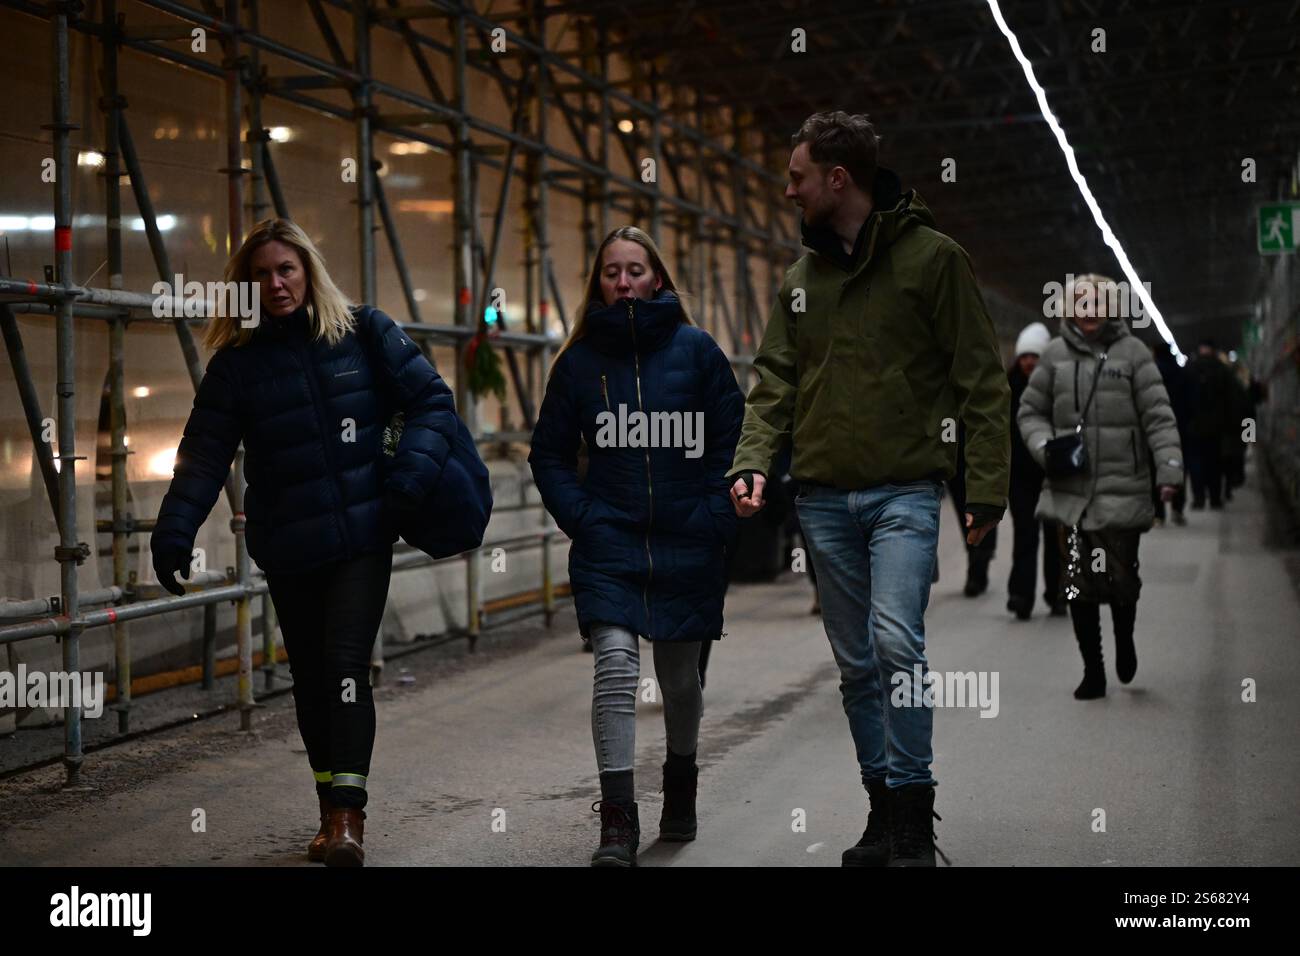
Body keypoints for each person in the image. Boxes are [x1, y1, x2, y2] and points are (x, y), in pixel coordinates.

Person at [728, 111, 1009, 867]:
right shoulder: (799, 282)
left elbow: (981, 381)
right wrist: (752, 460)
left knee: (896, 642)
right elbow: (773, 382)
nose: (788, 192)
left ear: (837, 179)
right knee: (856, 665)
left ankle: (916, 816)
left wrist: (985, 489)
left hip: (905, 495)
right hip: (821, 499)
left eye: (797, 178)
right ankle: (882, 811)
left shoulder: (933, 261)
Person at [150, 218, 459, 866]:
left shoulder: (364, 333)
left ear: (308, 273)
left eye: (286, 269)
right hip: (288, 543)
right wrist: (176, 527)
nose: (275, 282)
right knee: (313, 677)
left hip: (360, 536)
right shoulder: (237, 366)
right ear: (246, 285)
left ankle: (350, 818)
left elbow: (431, 401)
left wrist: (411, 475)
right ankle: (327, 808)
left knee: (345, 666)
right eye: (261, 273)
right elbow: (205, 454)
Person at [528, 226, 743, 867]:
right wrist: (583, 517)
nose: (623, 283)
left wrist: (713, 513)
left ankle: (681, 780)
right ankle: (617, 820)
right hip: (610, 542)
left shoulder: (698, 352)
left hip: (688, 539)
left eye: (635, 271)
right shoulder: (579, 363)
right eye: (611, 272)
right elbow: (550, 454)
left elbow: (735, 437)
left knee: (679, 680)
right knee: (616, 667)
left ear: (658, 279)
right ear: (598, 283)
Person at [1018, 274, 1183, 700]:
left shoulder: (1133, 355)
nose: (1089, 311)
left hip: (1122, 487)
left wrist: (1168, 471)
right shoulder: (1053, 356)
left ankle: (1124, 638)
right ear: (1069, 308)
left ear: (1111, 308)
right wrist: (1044, 447)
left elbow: (1158, 417)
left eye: (1097, 303)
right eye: (1081, 303)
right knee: (1077, 581)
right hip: (1069, 489)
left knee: (1121, 577)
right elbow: (1029, 412)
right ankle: (1094, 669)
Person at [1006, 321, 1063, 619]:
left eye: (1034, 356)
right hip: (1020, 476)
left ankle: (1058, 593)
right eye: (1024, 356)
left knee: (1056, 537)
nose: (1029, 361)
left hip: (1052, 473)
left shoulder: (1058, 388)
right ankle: (1020, 595)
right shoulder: (1007, 388)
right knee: (1024, 535)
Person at [1184, 338, 1231, 509]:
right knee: (1215, 464)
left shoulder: (1189, 370)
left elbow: (1183, 398)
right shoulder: (1222, 370)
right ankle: (1215, 498)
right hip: (1216, 427)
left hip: (1194, 426)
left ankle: (1198, 498)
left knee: (1196, 464)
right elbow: (1229, 399)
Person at [1150, 340, 1189, 526]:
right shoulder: (1182, 373)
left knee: (1154, 468)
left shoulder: (1151, 372)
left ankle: (1158, 514)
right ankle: (1177, 509)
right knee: (1177, 466)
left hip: (1154, 427)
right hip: (1179, 426)